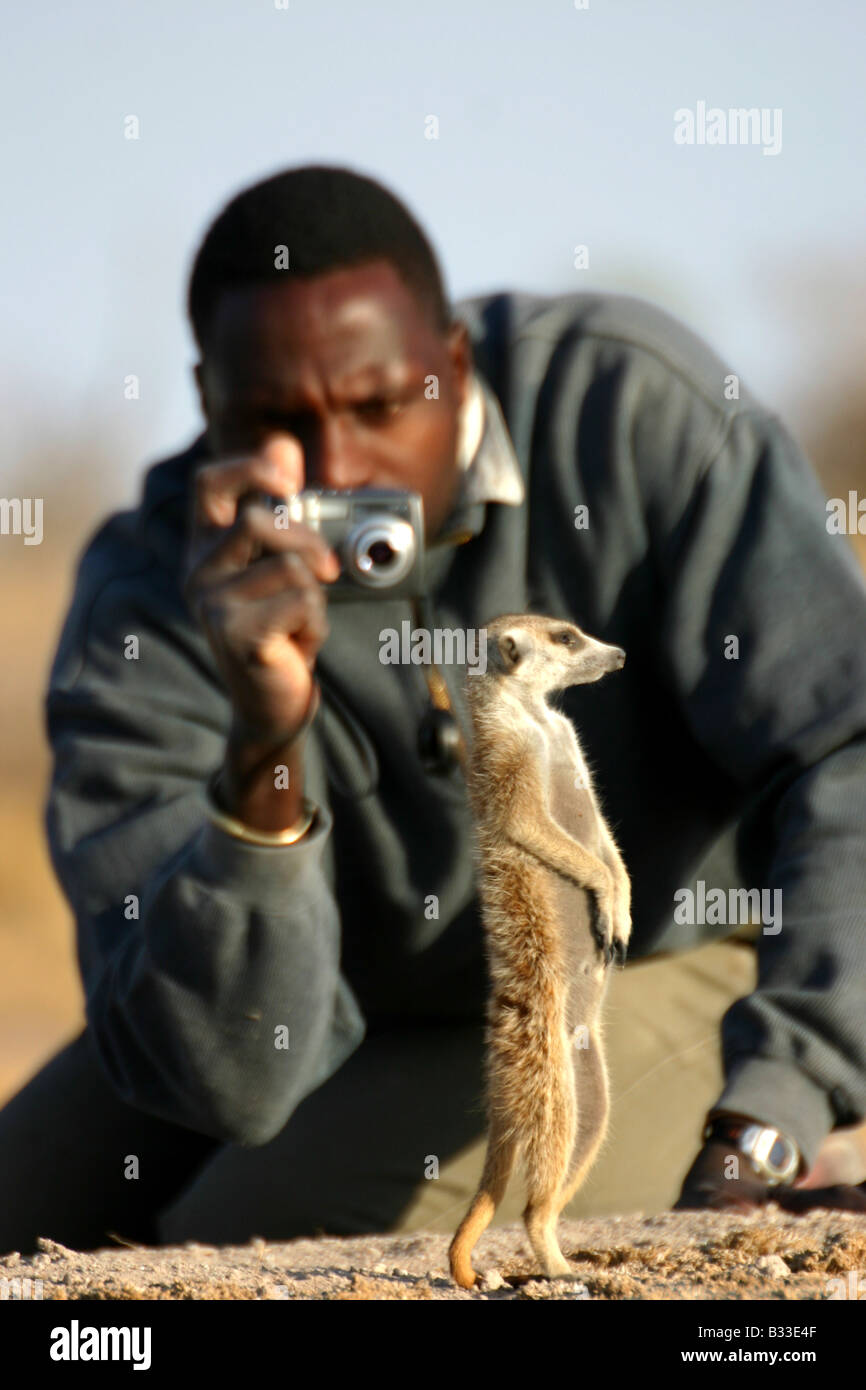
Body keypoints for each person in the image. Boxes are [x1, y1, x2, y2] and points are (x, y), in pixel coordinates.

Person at [1, 163, 865, 1255]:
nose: (336, 469)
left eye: (374, 406)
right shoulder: (150, 593)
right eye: (271, 419)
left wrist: (774, 1107)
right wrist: (263, 745)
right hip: (340, 1006)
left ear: (452, 366)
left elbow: (845, 747)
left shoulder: (629, 410)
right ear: (205, 401)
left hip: (636, 965)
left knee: (243, 1233)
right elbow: (229, 1074)